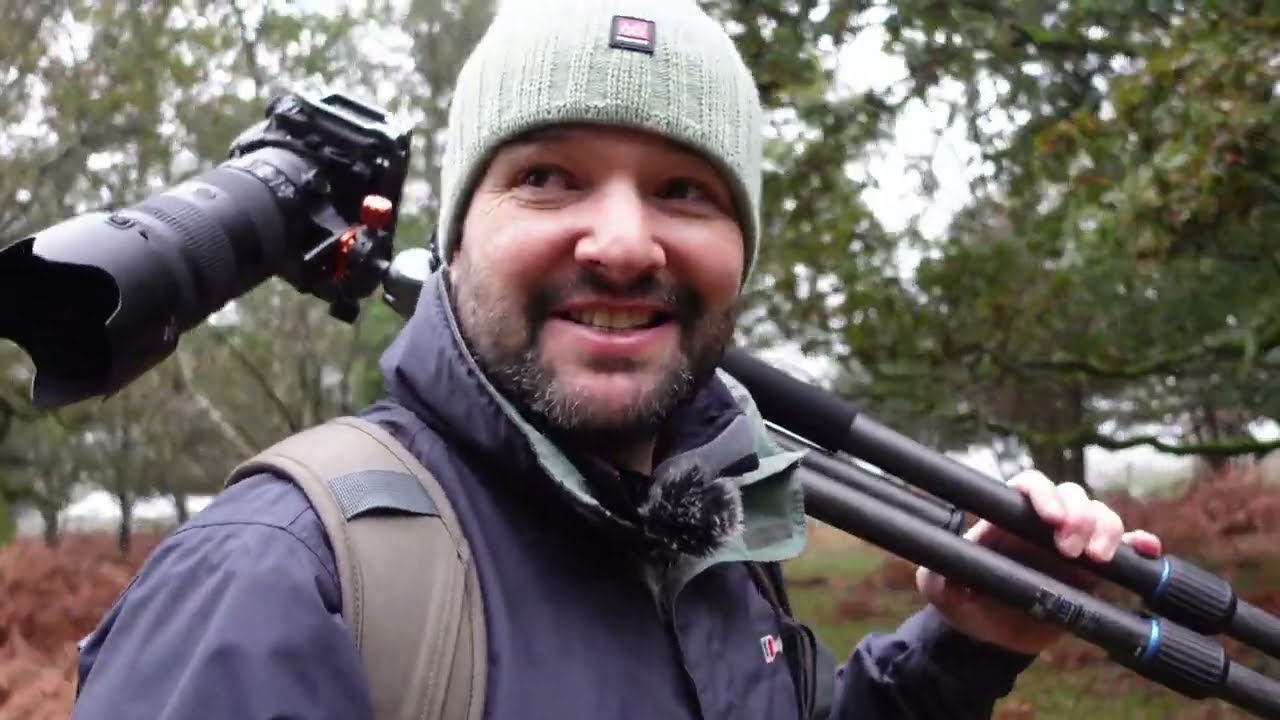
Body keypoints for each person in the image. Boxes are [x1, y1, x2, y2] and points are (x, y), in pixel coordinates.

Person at [70, 1, 1162, 718]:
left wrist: (960, 645)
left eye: (685, 190)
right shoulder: (274, 585)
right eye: (547, 176)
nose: (626, 242)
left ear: (739, 250)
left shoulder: (706, 520)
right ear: (456, 240)